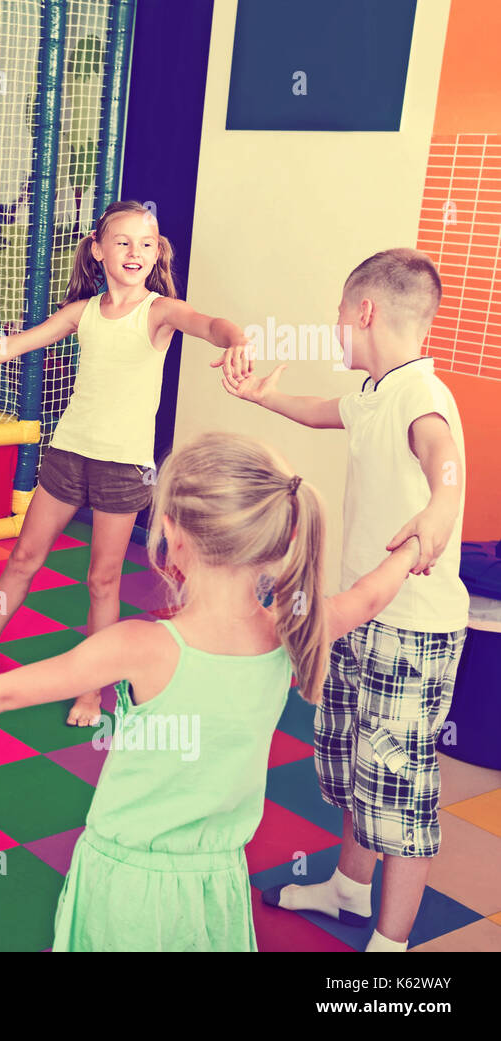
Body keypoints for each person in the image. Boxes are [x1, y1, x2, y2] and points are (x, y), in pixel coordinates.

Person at [0, 432, 425, 951]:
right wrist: (418, 547)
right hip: (216, 881)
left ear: (173, 534)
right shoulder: (293, 628)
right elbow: (371, 595)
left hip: (127, 882)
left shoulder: (143, 646)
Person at [0, 200, 253, 726]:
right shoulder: (83, 312)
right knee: (22, 560)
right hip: (69, 454)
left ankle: (93, 690)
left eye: (146, 243)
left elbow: (210, 323)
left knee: (101, 581)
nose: (135, 252)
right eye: (123, 241)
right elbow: (11, 347)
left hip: (122, 468)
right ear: (98, 249)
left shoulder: (158, 311)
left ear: (158, 252)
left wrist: (237, 341)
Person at [225, 248, 469, 952]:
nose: (334, 327)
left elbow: (441, 454)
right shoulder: (372, 390)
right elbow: (324, 411)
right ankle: (348, 886)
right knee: (349, 761)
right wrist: (259, 397)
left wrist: (442, 507)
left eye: (338, 313)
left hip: (412, 629)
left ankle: (389, 948)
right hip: (362, 611)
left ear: (364, 311)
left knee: (398, 789)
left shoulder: (421, 395)